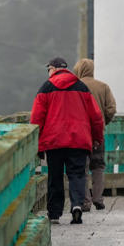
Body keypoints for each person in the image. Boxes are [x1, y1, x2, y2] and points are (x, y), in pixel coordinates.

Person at [30, 57, 104, 225]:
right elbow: (96, 117)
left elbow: (36, 118)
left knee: (54, 177)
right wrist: (97, 138)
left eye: (48, 69)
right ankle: (77, 205)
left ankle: (55, 214)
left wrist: (37, 142)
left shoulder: (46, 87)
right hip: (78, 141)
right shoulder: (81, 87)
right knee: (77, 174)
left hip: (53, 141)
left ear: (53, 69)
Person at [73, 58, 116, 212]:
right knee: (98, 166)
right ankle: (98, 198)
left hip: (80, 135)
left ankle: (85, 201)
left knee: (82, 168)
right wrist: (104, 122)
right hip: (98, 133)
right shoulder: (103, 87)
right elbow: (111, 109)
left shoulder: (74, 87)